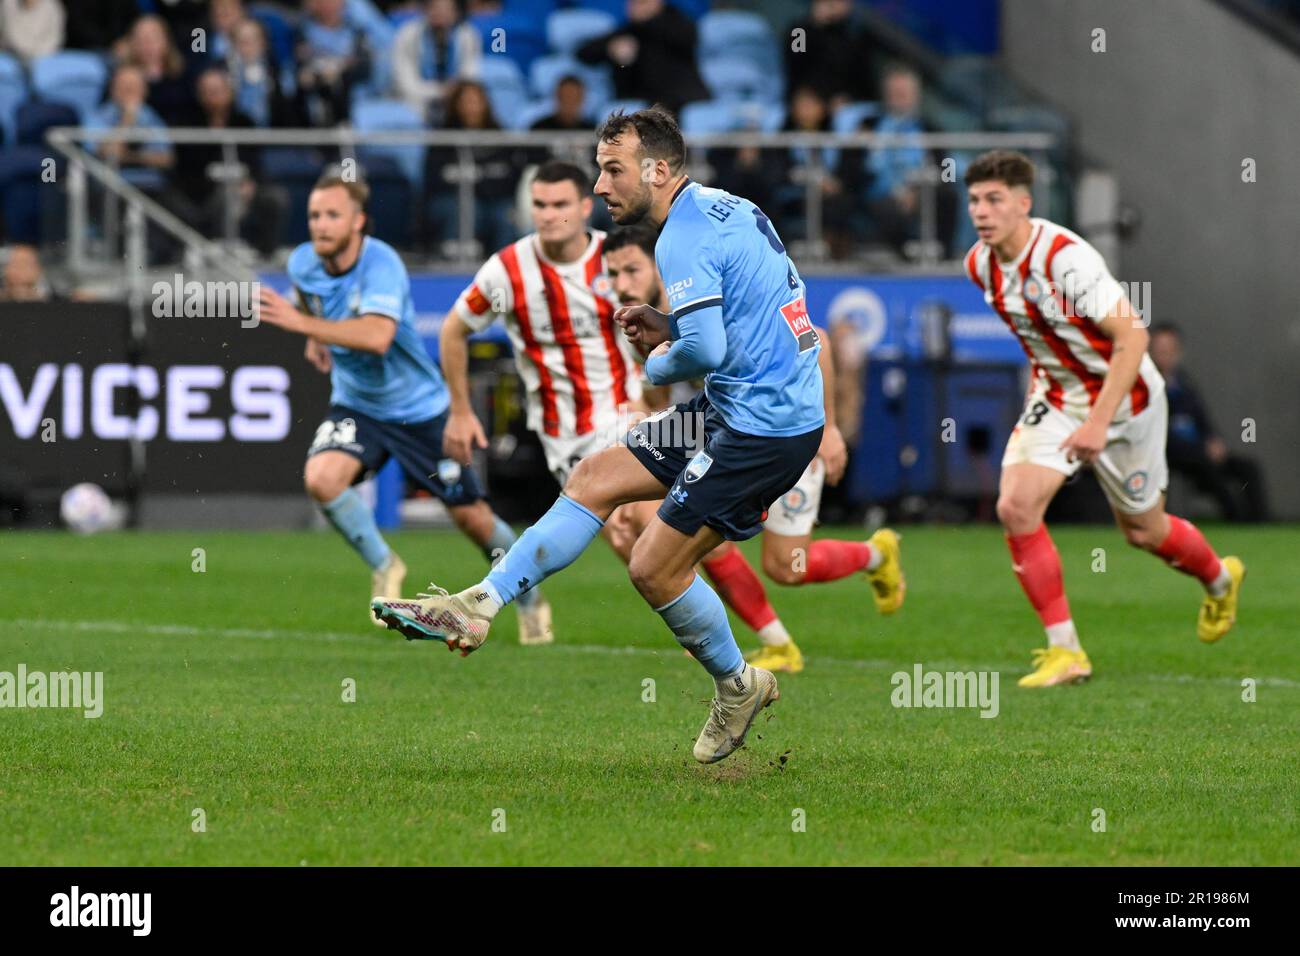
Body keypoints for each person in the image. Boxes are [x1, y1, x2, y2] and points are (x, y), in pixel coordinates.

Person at [376, 107, 833, 765]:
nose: (599, 186)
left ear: (658, 169)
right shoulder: (725, 205)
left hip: (765, 428)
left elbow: (704, 349)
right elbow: (743, 314)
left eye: (611, 169)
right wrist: (672, 326)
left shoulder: (680, 238)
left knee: (651, 565)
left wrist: (657, 358)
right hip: (742, 406)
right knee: (593, 478)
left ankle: (739, 685)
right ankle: (482, 602)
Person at [963, 150, 1245, 688]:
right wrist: (1041, 401)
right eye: (974, 199)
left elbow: (1133, 338)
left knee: (1144, 531)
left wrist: (1097, 421)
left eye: (995, 199)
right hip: (1059, 394)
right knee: (1016, 506)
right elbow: (1037, 336)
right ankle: (1065, 651)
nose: (982, 210)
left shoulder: (1064, 259)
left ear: (1024, 204)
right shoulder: (978, 263)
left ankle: (1218, 578)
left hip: (1127, 399)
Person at [254, 172, 553, 643]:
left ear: (359, 223)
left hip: (420, 411)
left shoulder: (382, 263)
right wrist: (313, 333)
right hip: (358, 405)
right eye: (314, 215)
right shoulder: (303, 264)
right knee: (321, 479)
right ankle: (385, 563)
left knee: (472, 519)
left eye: (333, 215)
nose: (321, 225)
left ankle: (529, 598)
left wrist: (297, 323)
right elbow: (311, 302)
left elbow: (377, 336)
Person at [603, 223, 904, 674]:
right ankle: (771, 642)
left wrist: (832, 428)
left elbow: (815, 342)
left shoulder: (706, 297)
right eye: (613, 275)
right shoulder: (639, 324)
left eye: (632, 270)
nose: (623, 284)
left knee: (788, 567)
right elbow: (658, 403)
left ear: (660, 266)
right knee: (693, 531)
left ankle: (876, 554)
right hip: (731, 436)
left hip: (790, 430)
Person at [1150, 323, 1269, 522]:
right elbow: (1157, 431)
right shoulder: (1147, 385)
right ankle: (1236, 519)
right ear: (1151, 352)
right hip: (1172, 454)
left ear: (1178, 352)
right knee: (1204, 464)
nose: (1166, 356)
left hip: (1201, 451)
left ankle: (1259, 524)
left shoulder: (1185, 383)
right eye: (1161, 350)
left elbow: (1202, 419)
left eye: (1171, 350)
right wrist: (1199, 448)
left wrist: (1214, 440)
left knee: (1248, 468)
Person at [170, 67, 288, 257]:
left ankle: (266, 253)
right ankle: (224, 256)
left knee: (275, 197)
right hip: (204, 193)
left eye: (217, 91)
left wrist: (251, 182)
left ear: (229, 92)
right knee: (225, 196)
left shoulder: (244, 122)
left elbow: (255, 162)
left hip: (244, 187)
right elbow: (187, 171)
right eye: (207, 91)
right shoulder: (188, 123)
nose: (213, 96)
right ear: (200, 95)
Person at [423, 79, 527, 256]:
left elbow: (510, 177)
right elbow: (434, 180)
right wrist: (481, 180)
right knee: (465, 208)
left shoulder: (500, 137)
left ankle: (504, 267)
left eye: (476, 101)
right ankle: (453, 264)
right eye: (466, 102)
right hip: (452, 201)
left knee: (504, 214)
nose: (471, 107)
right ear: (456, 106)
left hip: (493, 201)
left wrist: (477, 181)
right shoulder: (442, 138)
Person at [575, 0, 707, 115]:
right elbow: (583, 53)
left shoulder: (676, 21)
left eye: (643, 2)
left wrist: (649, 19)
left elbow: (688, 38)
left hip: (681, 99)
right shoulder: (628, 32)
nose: (636, 6)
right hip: (643, 101)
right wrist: (610, 48)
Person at [391, 0, 482, 121]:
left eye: (445, 8)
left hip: (453, 99)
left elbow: (469, 77)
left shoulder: (467, 35)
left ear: (456, 12)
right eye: (434, 7)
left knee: (469, 103)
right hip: (416, 101)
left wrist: (454, 92)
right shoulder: (407, 35)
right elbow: (406, 85)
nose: (439, 12)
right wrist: (440, 91)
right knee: (411, 109)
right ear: (425, 9)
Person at [0, 0, 65, 62]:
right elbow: (10, 35)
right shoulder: (7, 4)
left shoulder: (53, 6)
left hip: (43, 58)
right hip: (9, 56)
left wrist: (38, 56)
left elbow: (54, 37)